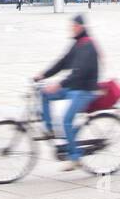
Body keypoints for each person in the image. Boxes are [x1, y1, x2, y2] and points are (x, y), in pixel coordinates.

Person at [33, 14, 100, 171]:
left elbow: (80, 73)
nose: (71, 29)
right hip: (74, 87)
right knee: (44, 93)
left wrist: (59, 84)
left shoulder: (88, 46)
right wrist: (43, 75)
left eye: (74, 26)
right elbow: (62, 62)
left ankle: (75, 157)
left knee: (66, 121)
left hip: (85, 90)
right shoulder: (77, 44)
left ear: (81, 27)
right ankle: (49, 129)